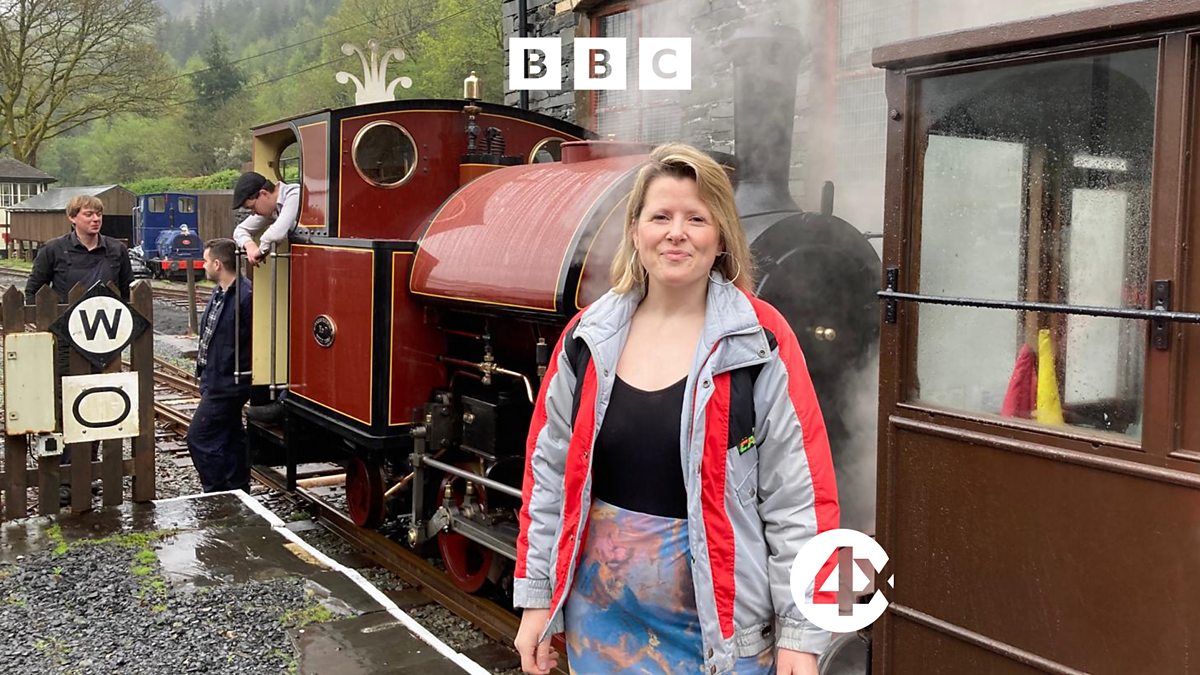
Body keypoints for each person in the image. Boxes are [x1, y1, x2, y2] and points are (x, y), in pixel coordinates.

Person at [512, 144, 839, 675]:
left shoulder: (761, 339)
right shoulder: (586, 338)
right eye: (660, 216)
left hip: (717, 633)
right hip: (601, 622)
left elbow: (799, 496)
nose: (676, 232)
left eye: (696, 218)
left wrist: (802, 634)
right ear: (636, 231)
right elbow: (547, 478)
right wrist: (535, 600)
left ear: (721, 236)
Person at [187, 238, 253, 492]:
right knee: (232, 435)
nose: (203, 266)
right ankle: (238, 487)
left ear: (217, 263)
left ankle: (216, 490)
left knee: (199, 438)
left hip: (228, 382)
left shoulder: (244, 297)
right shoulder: (220, 292)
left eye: (205, 261)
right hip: (214, 377)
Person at [25, 195, 133, 304]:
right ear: (72, 217)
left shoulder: (117, 249)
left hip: (108, 317)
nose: (96, 219)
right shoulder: (53, 249)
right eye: (88, 214)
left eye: (99, 214)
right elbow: (33, 291)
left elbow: (127, 291)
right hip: (65, 318)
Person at [230, 171, 301, 266]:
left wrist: (261, 251)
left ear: (264, 194)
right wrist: (250, 245)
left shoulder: (295, 195)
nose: (253, 212)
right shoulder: (271, 209)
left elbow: (276, 234)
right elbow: (240, 230)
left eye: (252, 207)